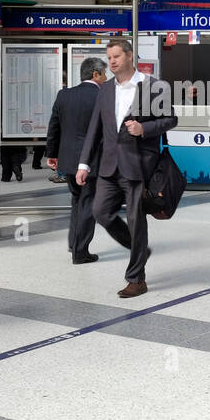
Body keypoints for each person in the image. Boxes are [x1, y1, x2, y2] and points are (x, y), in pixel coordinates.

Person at [76, 38, 178, 298]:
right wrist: (84, 164)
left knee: (136, 221)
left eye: (116, 56)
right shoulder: (105, 90)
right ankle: (138, 249)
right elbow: (94, 130)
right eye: (109, 57)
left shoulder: (153, 86)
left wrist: (145, 128)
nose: (111, 61)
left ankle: (136, 278)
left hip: (138, 164)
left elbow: (170, 119)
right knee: (100, 211)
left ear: (130, 56)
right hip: (109, 166)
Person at [46, 57, 106, 264]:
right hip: (93, 161)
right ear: (95, 74)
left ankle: (74, 241)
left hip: (68, 160)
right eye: (104, 74)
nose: (106, 78)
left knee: (77, 200)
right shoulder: (102, 97)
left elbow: (54, 127)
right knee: (89, 203)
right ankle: (80, 251)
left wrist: (51, 154)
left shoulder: (64, 95)